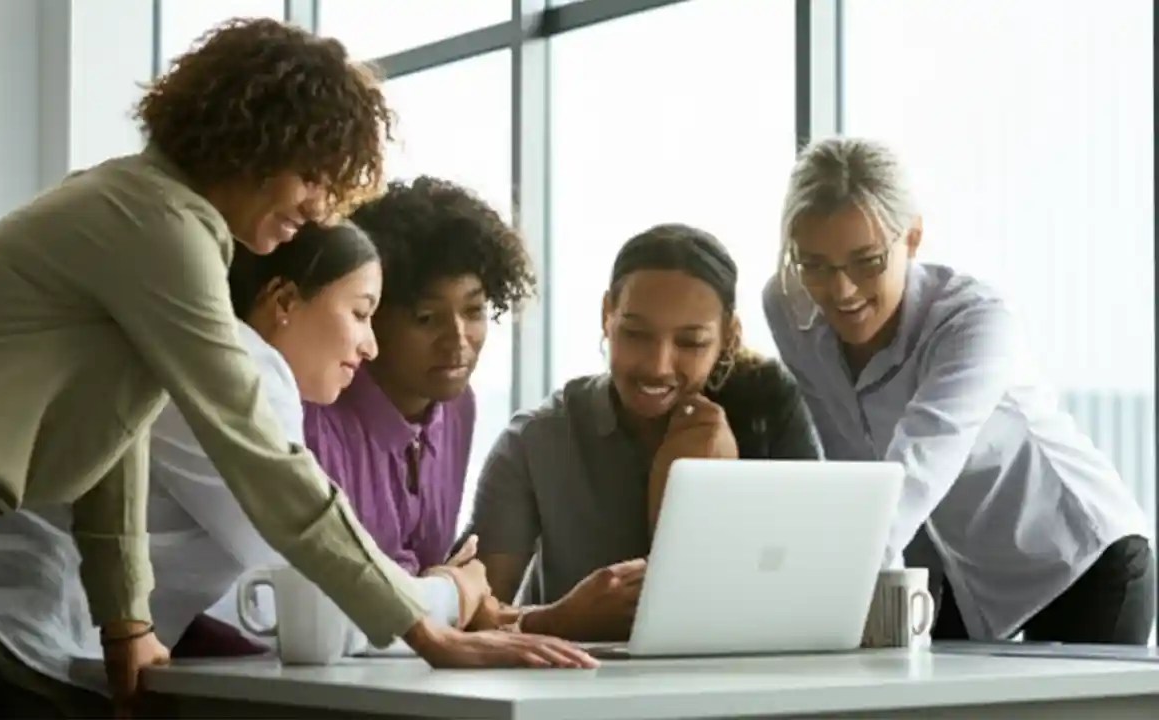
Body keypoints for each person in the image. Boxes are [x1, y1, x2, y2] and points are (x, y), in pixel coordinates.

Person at [0, 18, 591, 719]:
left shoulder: (151, 213)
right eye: (311, 176)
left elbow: (116, 436)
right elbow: (263, 458)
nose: (317, 209)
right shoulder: (159, 228)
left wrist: (125, 619)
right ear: (254, 144)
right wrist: (421, 625)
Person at [0, 221, 477, 715]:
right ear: (283, 302)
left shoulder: (243, 369)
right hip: (26, 644)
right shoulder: (245, 372)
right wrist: (453, 595)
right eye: (361, 313)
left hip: (41, 642)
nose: (370, 346)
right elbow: (308, 595)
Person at [762, 136, 1155, 644]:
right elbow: (845, 458)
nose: (841, 290)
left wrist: (833, 596)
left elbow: (916, 468)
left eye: (867, 261)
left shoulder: (975, 322)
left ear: (912, 239)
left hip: (1080, 559)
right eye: (814, 264)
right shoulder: (790, 307)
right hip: (964, 576)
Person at [463, 223, 821, 641]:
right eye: (635, 334)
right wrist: (557, 620)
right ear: (606, 316)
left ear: (729, 338)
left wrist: (709, 489)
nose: (657, 365)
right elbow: (468, 615)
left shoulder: (767, 411)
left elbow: (809, 592)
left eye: (690, 342)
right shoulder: (538, 441)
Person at [266, 175, 539, 659]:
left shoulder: (458, 406)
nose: (458, 340)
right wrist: (452, 594)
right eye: (426, 318)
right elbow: (330, 606)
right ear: (373, 314)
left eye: (474, 311)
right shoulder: (313, 408)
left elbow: (426, 579)